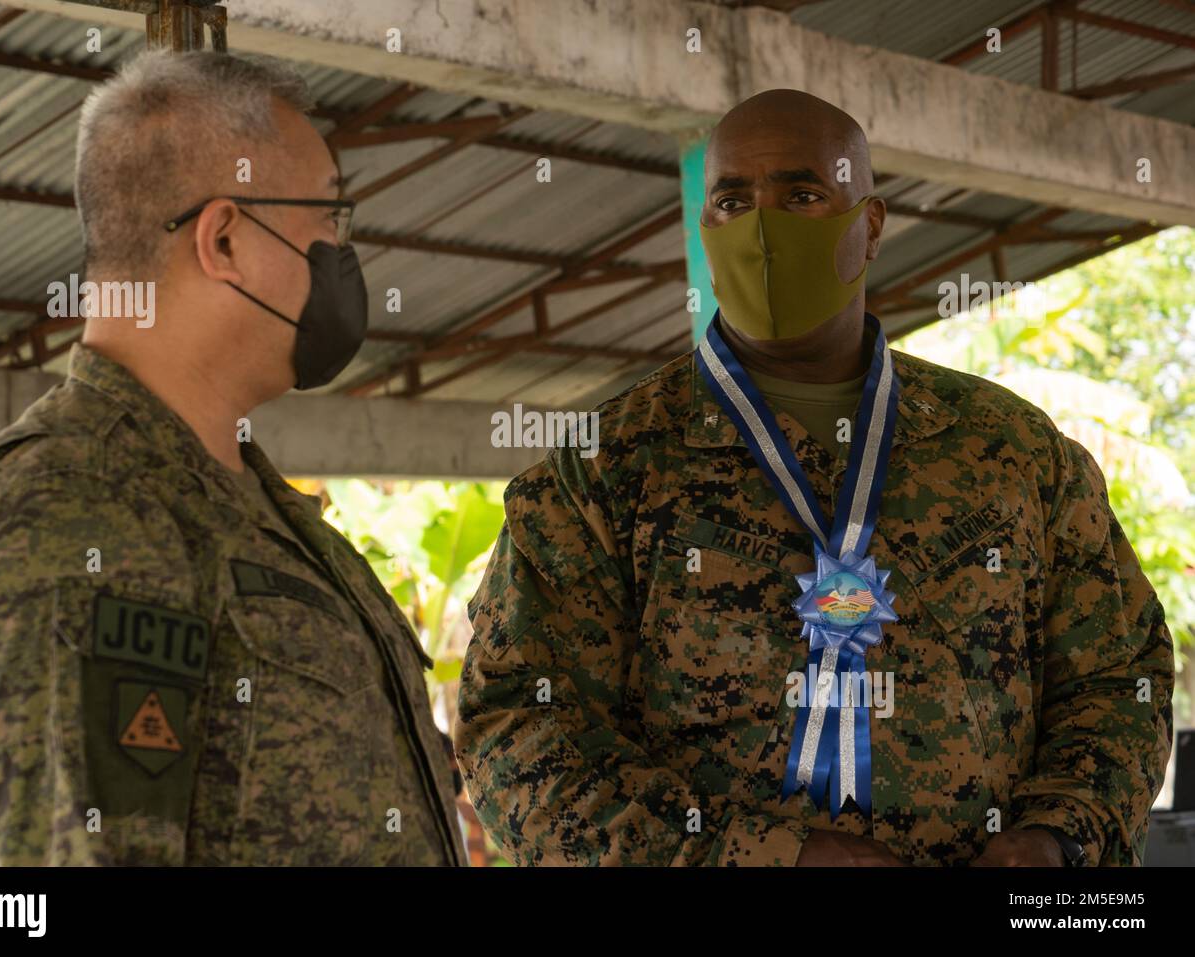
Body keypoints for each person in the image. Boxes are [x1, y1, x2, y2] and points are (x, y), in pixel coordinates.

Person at [454, 89, 1173, 867]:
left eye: (802, 194)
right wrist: (763, 858)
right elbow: (516, 729)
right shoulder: (605, 467)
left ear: (869, 226)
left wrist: (1058, 835)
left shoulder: (1012, 451)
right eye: (733, 200)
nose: (762, 230)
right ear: (704, 225)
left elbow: (1120, 677)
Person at [0, 50, 464, 866]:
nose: (343, 256)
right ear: (225, 239)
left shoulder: (252, 501)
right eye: (329, 223)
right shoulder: (63, 513)